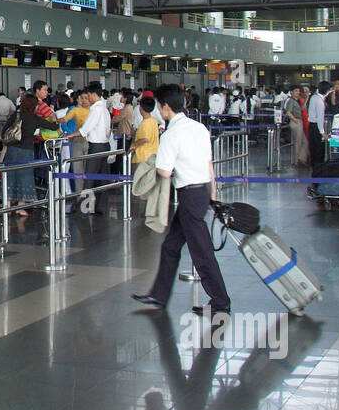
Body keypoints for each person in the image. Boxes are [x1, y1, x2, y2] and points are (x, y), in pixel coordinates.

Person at [131, 85, 230, 319]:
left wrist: (154, 164)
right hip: (202, 191)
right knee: (171, 246)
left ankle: (220, 301)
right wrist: (213, 195)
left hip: (189, 194)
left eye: (159, 106)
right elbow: (209, 163)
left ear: (165, 107)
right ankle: (159, 294)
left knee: (201, 251)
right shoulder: (199, 127)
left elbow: (164, 172)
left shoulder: (171, 135)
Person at [3, 82, 58, 214]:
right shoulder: (34, 118)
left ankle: (7, 205)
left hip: (12, 149)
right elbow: (54, 127)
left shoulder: (15, 115)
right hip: (26, 151)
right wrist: (54, 119)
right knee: (25, 177)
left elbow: (4, 131)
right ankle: (21, 207)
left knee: (10, 175)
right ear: (34, 106)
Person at [76, 82, 113, 214]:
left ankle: (83, 208)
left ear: (92, 95)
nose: (87, 99)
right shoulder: (104, 109)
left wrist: (71, 135)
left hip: (96, 146)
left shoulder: (96, 110)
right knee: (102, 178)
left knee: (89, 177)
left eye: (88, 96)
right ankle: (101, 207)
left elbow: (85, 130)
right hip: (105, 145)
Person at [131, 95, 160, 166]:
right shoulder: (154, 121)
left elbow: (145, 139)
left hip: (143, 157)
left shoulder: (145, 122)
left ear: (141, 108)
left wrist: (134, 144)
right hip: (153, 156)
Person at [308, 80, 329, 170]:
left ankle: (314, 166)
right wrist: (322, 132)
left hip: (311, 125)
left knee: (313, 148)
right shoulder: (319, 101)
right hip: (316, 127)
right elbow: (320, 117)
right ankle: (318, 168)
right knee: (318, 149)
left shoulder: (314, 97)